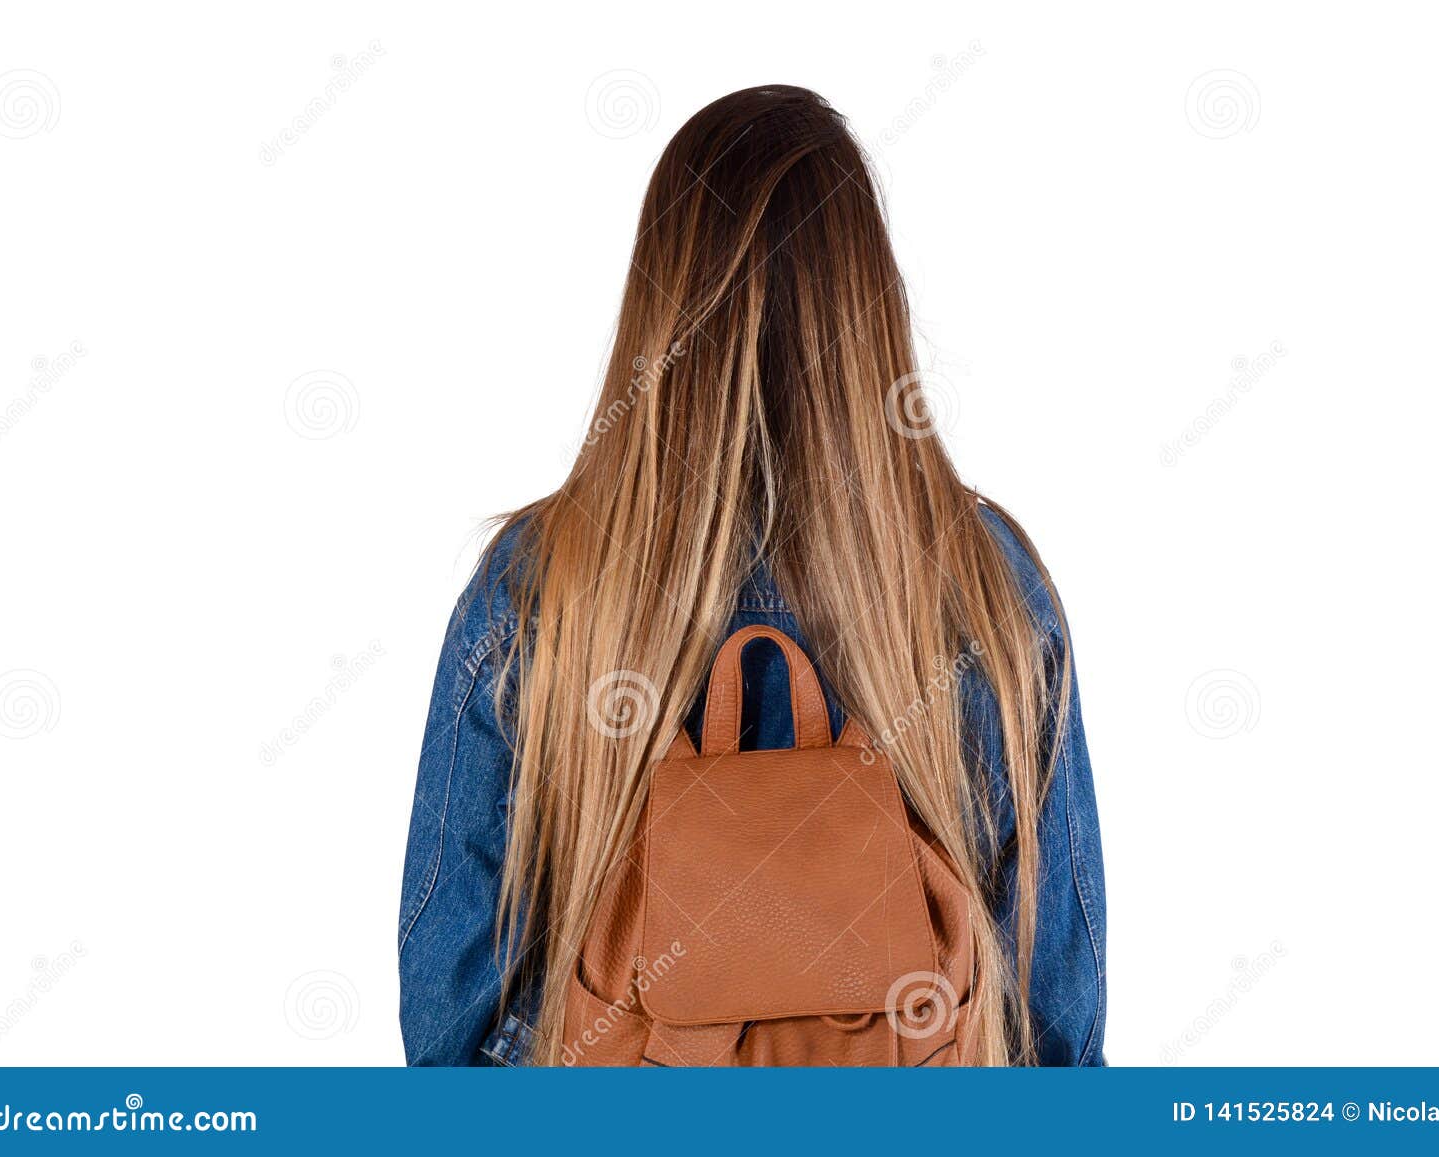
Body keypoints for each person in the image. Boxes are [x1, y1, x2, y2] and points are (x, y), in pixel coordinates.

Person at [398, 84, 1105, 1066]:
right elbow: (1057, 1037)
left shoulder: (534, 591)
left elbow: (450, 1036)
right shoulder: (986, 587)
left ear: (657, 301)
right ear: (870, 309)